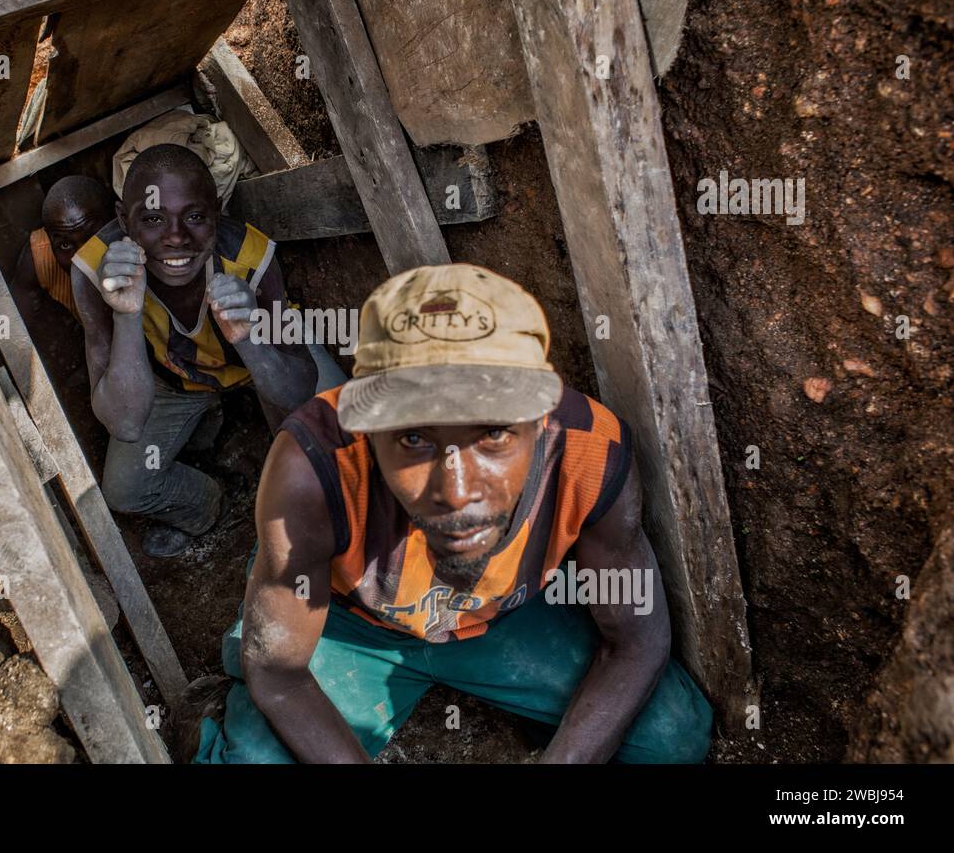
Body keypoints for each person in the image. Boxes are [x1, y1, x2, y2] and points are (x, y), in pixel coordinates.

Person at [189, 263, 713, 763]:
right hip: (349, 625)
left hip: (501, 616)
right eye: (414, 438)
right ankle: (210, 709)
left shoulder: (588, 454)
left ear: (540, 419)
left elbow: (637, 642)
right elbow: (280, 675)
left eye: (493, 434)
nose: (457, 490)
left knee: (670, 734)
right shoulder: (312, 467)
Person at [71, 143, 317, 557]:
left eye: (196, 217)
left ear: (217, 213)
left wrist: (248, 335)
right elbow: (127, 423)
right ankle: (210, 506)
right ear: (121, 220)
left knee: (329, 437)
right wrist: (127, 314)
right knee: (126, 488)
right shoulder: (96, 269)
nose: (176, 237)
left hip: (253, 367)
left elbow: (297, 392)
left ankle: (286, 502)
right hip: (172, 379)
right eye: (151, 219)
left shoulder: (249, 258)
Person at [11, 175, 116, 326]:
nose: (83, 259)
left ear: (117, 220)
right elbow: (9, 325)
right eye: (65, 245)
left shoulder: (145, 243)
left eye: (93, 239)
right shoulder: (42, 255)